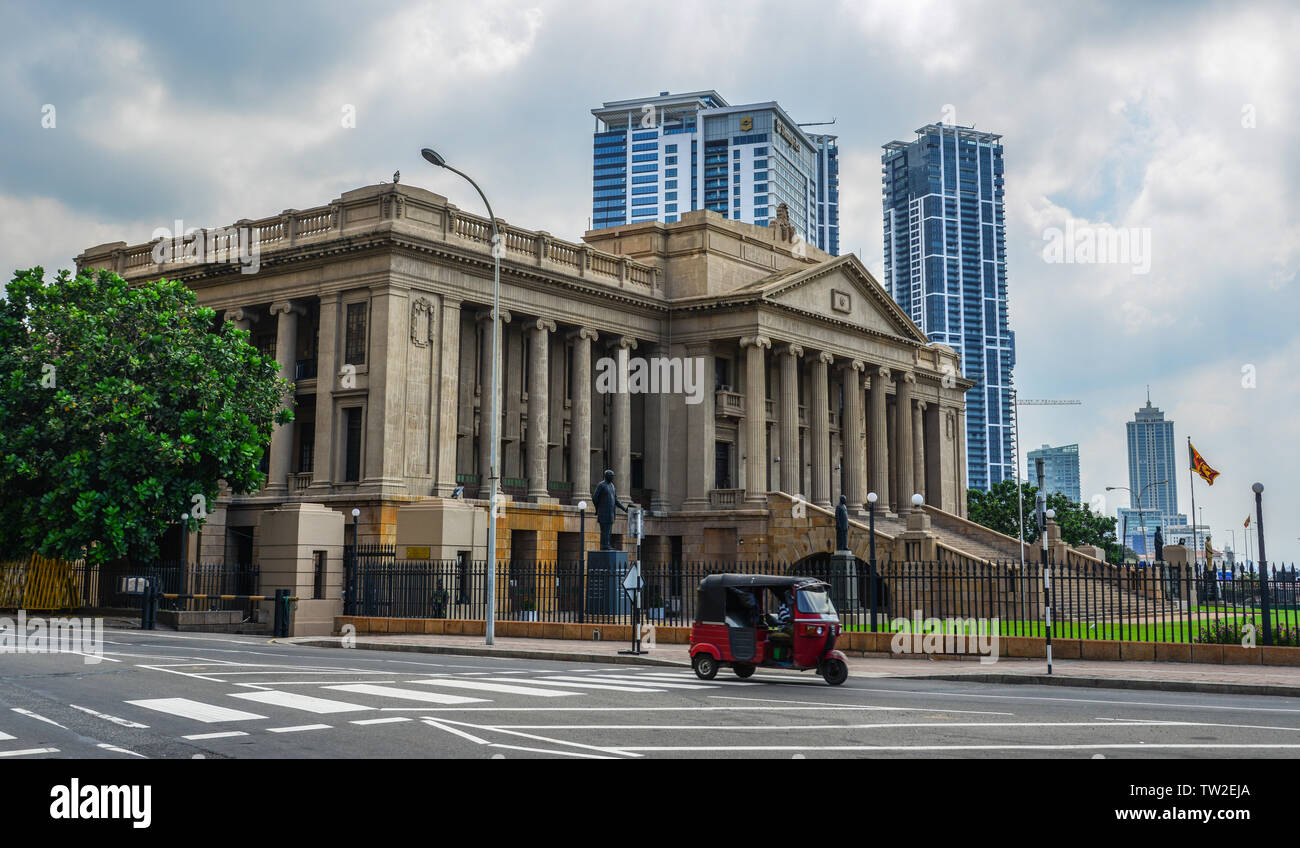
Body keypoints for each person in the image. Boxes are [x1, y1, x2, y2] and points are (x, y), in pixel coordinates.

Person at [593, 469, 628, 550]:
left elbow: (616, 500)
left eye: (613, 476)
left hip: (611, 513)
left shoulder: (612, 486)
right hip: (603, 513)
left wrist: (624, 509)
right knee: (604, 531)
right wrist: (597, 509)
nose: (613, 477)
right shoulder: (601, 485)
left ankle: (607, 544)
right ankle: (604, 545)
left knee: (609, 531)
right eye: (611, 476)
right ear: (607, 476)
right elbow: (595, 498)